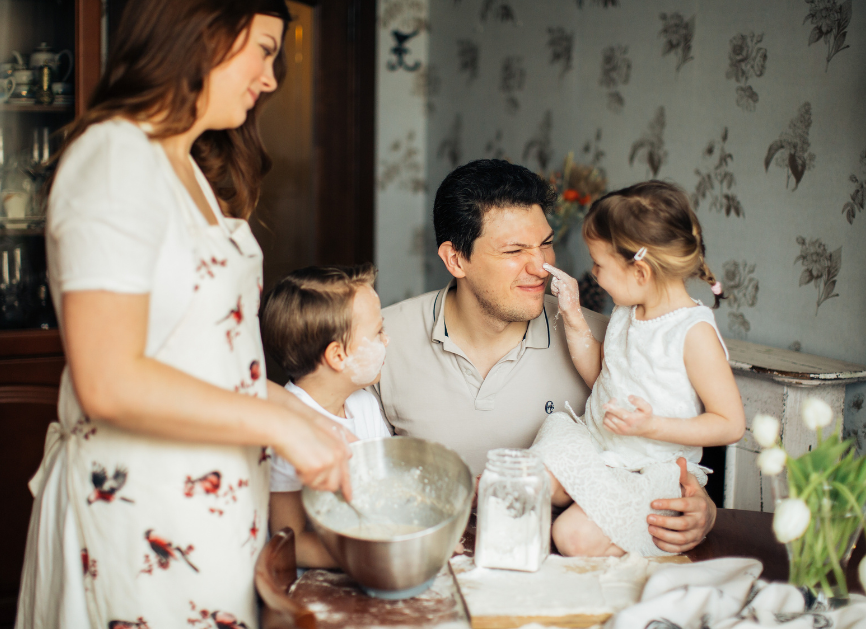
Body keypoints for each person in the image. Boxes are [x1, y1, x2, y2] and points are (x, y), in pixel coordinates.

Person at [16, 1, 352, 627]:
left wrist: (305, 419)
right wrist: (280, 429)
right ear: (203, 33)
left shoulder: (188, 166)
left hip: (208, 510)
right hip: (142, 510)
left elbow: (210, 360)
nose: (272, 78)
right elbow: (110, 380)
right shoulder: (114, 159)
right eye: (265, 50)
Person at [373, 160, 718, 554]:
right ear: (456, 259)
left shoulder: (611, 342)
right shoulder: (382, 343)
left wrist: (702, 510)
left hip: (572, 582)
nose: (540, 267)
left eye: (545, 243)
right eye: (514, 250)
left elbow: (662, 456)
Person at [531, 180, 745, 557]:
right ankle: (600, 509)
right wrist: (572, 316)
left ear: (640, 272)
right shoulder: (628, 311)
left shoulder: (691, 333)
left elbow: (730, 423)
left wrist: (652, 426)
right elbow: (603, 376)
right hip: (599, 447)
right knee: (529, 482)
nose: (594, 273)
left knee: (571, 538)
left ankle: (633, 539)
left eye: (599, 264)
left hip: (650, 470)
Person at [262, 264, 391, 568]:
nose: (387, 340)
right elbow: (288, 541)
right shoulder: (288, 431)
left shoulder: (363, 404)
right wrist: (365, 558)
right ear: (338, 356)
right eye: (378, 332)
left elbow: (384, 487)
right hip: (323, 576)